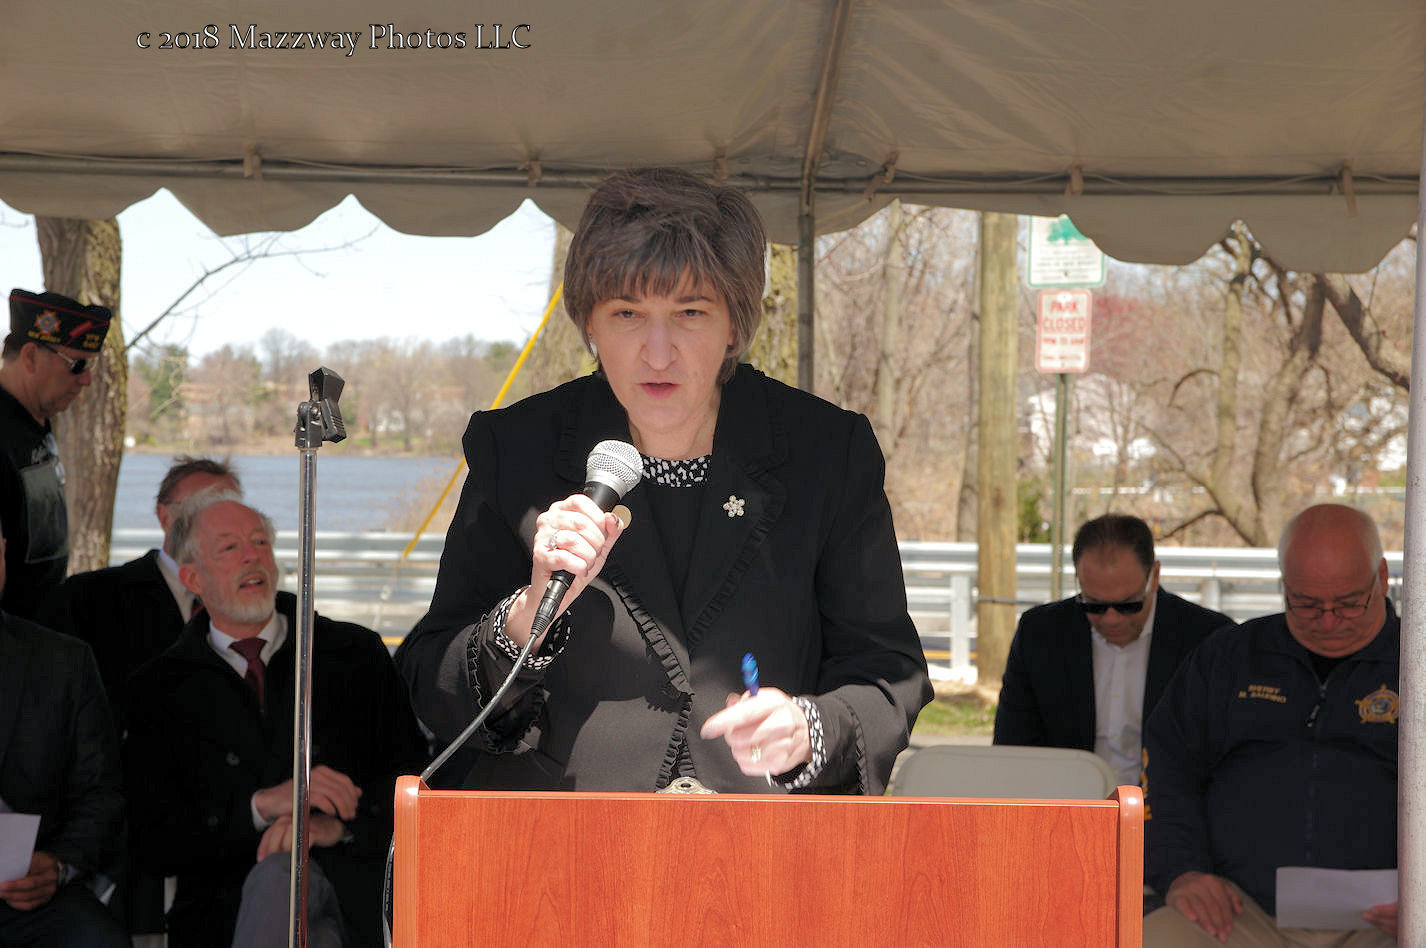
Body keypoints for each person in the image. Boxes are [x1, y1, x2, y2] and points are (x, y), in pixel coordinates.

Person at [396, 166, 932, 795]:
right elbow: (432, 682)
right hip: (558, 848)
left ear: (734, 324)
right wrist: (522, 621)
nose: (657, 352)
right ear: (590, 325)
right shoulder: (517, 450)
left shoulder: (827, 453)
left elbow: (887, 674)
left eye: (689, 312)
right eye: (627, 313)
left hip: (766, 847)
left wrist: (811, 731)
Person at [124, 493, 427, 947]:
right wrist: (262, 806)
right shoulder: (160, 688)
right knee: (277, 882)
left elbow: (414, 788)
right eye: (229, 548)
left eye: (260, 542)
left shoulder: (353, 656)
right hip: (223, 915)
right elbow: (152, 840)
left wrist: (334, 828)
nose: (252, 556)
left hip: (355, 897)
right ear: (192, 578)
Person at [1143, 503, 1398, 946]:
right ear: (1283, 586)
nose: (1328, 621)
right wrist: (1182, 871)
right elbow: (1167, 770)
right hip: (1238, 909)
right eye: (1305, 603)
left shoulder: (1416, 663)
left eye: (1349, 603)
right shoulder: (1228, 658)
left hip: (1389, 919)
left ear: (1382, 577)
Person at [993, 513, 1232, 787]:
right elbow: (1011, 751)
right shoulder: (1039, 634)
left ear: (1153, 577)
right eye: (1093, 604)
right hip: (1067, 810)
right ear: (1079, 581)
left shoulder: (1209, 640)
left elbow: (1227, 758)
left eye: (1128, 604)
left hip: (1172, 817)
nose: (1111, 618)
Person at [39, 455, 242, 728]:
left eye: (232, 513)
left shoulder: (261, 606)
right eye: (202, 509)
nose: (219, 525)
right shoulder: (89, 598)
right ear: (164, 516)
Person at [0, 528, 129, 947]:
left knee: (97, 940)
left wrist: (57, 865)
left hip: (24, 895)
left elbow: (101, 792)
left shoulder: (62, 663)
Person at [0, 288, 111, 620]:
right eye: (77, 364)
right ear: (31, 356)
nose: (87, 379)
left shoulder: (36, 423)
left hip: (42, 633)